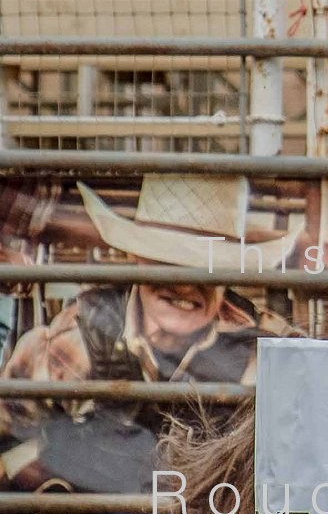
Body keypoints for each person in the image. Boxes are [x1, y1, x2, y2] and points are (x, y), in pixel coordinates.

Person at [0, 174, 296, 492]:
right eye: (165, 261)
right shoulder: (78, 337)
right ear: (136, 258)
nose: (183, 283)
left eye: (204, 268)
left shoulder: (267, 351)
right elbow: (8, 429)